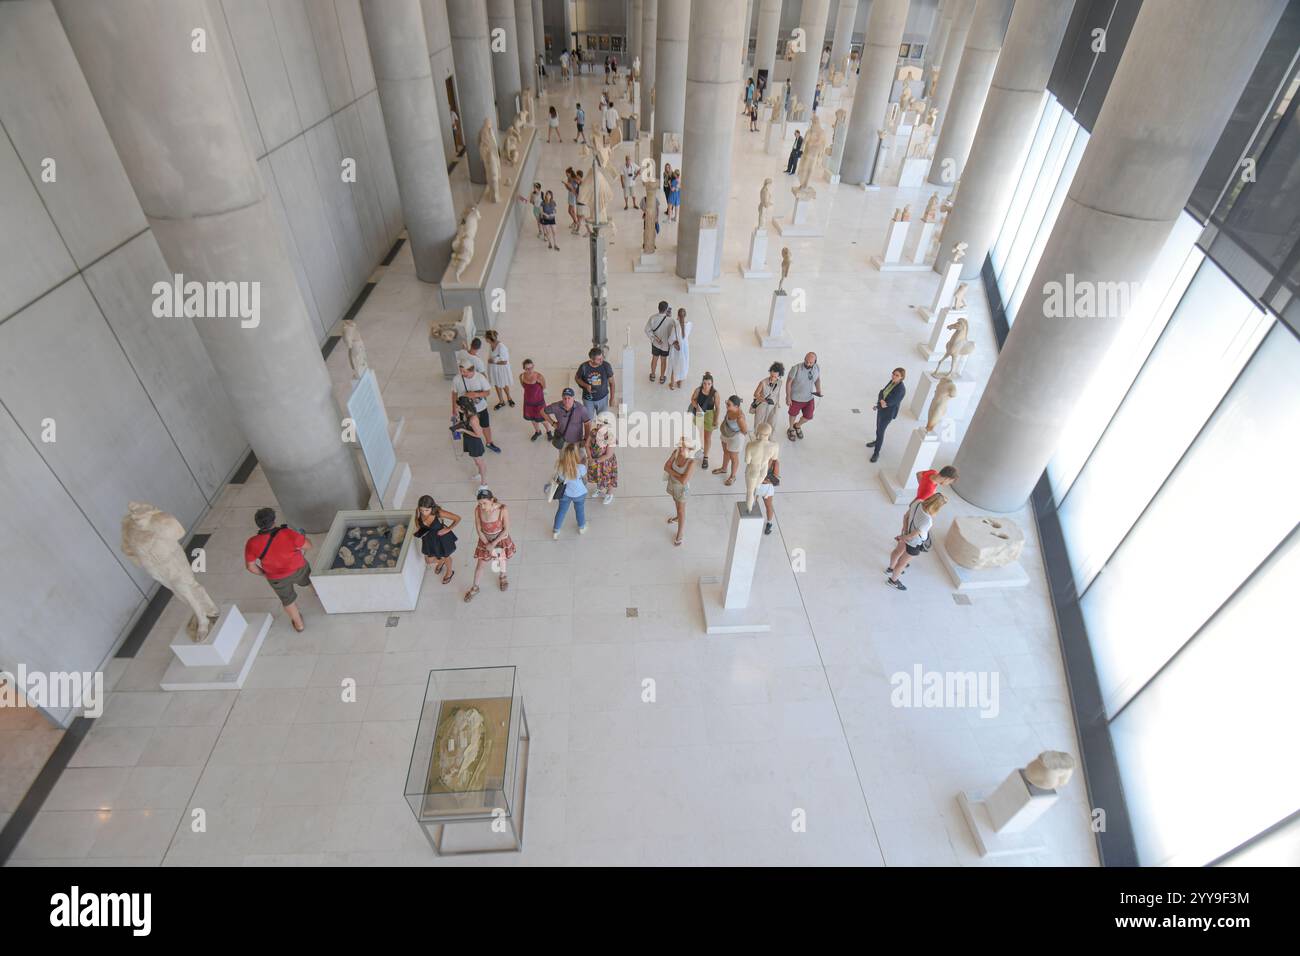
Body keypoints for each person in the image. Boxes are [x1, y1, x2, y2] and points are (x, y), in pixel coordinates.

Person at [244, 507, 313, 632]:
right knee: (310, 582)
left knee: (287, 600)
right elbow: (309, 546)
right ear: (274, 521)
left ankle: (299, 624)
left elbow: (250, 566)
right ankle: (320, 596)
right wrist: (300, 537)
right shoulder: (288, 533)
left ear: (258, 525)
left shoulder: (252, 543)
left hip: (276, 578)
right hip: (298, 568)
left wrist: (265, 573)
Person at [886, 493, 947, 591]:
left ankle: (890, 568)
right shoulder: (928, 520)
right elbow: (914, 534)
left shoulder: (918, 502)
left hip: (905, 533)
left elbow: (905, 516)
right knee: (902, 563)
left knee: (897, 551)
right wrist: (905, 537)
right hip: (914, 542)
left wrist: (904, 533)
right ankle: (893, 581)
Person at [465, 488, 515, 601]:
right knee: (480, 565)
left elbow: (506, 529)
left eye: (484, 503)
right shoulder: (477, 510)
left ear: (492, 500)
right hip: (485, 540)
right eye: (480, 503)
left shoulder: (502, 509)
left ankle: (502, 577)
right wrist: (487, 544)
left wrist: (493, 544)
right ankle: (475, 587)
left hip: (500, 540)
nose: (482, 506)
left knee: (501, 560)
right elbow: (478, 529)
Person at [452, 356, 500, 453]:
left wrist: (476, 394)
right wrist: (454, 408)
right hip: (465, 409)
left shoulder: (480, 378)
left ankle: (489, 442)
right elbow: (454, 393)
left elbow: (487, 392)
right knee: (467, 426)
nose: (462, 373)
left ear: (471, 370)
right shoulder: (457, 379)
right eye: (461, 371)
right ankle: (471, 446)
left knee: (485, 425)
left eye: (464, 371)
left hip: (481, 408)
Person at [413, 495, 459, 585]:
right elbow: (418, 526)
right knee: (428, 560)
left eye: (427, 510)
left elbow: (457, 518)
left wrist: (448, 529)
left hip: (441, 538)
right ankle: (441, 561)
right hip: (428, 539)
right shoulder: (418, 512)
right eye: (422, 510)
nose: (424, 513)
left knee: (446, 556)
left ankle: (449, 572)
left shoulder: (438, 513)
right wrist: (417, 516)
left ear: (432, 507)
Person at [663, 435, 698, 546]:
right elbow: (665, 467)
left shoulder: (691, 462)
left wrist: (672, 472)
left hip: (682, 489)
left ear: (690, 449)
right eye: (680, 445)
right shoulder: (676, 452)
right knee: (675, 501)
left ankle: (680, 533)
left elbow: (684, 481)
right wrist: (678, 474)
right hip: (673, 484)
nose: (680, 448)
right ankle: (678, 518)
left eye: (683, 447)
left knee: (681, 510)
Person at [867, 367, 906, 463]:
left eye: (897, 375)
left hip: (888, 413)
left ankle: (876, 453)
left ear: (901, 377)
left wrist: (883, 402)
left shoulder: (901, 389)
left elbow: (891, 402)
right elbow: (882, 392)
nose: (894, 376)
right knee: (878, 428)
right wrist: (881, 400)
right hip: (881, 409)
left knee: (881, 431)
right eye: (893, 374)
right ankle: (876, 442)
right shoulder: (892, 382)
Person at [551, 443, 589, 538]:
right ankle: (581, 527)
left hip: (565, 494)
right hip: (579, 494)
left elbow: (559, 479)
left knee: (561, 511)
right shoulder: (581, 468)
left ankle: (556, 530)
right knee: (579, 510)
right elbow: (585, 480)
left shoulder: (560, 466)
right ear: (576, 455)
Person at [785, 351, 822, 441]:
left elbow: (817, 379)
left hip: (809, 398)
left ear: (815, 362)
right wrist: (788, 396)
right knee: (793, 414)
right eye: (806, 361)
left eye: (811, 362)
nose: (808, 364)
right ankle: (791, 428)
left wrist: (818, 389)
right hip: (796, 398)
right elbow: (788, 383)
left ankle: (797, 426)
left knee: (808, 416)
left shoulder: (816, 368)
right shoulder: (796, 368)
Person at [713, 396, 748, 485]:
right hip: (726, 433)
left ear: (736, 407)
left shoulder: (740, 418)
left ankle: (733, 476)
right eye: (726, 403)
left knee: (733, 457)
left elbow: (745, 431)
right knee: (726, 452)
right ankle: (724, 469)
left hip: (736, 437)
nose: (726, 405)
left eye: (728, 404)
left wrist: (733, 432)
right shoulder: (730, 409)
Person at [454, 395, 488, 484]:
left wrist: (463, 430)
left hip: (474, 442)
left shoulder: (473, 419)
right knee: (476, 461)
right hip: (469, 440)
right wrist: (458, 418)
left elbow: (479, 434)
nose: (456, 407)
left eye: (458, 406)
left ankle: (483, 483)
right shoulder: (466, 413)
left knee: (479, 462)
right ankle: (480, 473)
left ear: (463, 407)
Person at [688, 372, 719, 469]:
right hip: (699, 413)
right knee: (699, 433)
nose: (706, 386)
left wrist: (716, 420)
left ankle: (706, 457)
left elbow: (717, 408)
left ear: (712, 384)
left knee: (707, 437)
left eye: (709, 384)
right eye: (705, 383)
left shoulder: (715, 394)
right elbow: (693, 399)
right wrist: (697, 407)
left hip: (709, 415)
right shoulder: (698, 390)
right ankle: (699, 448)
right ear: (702, 383)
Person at [587, 411, 619, 504]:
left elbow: (608, 455)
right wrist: (589, 457)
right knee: (598, 475)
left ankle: (609, 493)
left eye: (601, 425)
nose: (598, 427)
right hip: (594, 460)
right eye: (597, 424)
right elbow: (586, 445)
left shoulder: (610, 437)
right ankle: (600, 488)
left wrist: (594, 461)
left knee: (608, 478)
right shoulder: (593, 432)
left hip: (606, 462)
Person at [575, 346, 616, 416]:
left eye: (602, 357)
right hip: (588, 400)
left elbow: (612, 383)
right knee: (588, 420)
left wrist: (612, 398)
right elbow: (577, 378)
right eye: (599, 359)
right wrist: (586, 385)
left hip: (603, 398)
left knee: (603, 421)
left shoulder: (606, 366)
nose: (601, 360)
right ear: (592, 360)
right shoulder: (584, 367)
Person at [645, 300, 678, 385]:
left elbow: (647, 330)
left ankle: (652, 375)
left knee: (654, 359)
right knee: (663, 361)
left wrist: (654, 338)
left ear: (658, 308)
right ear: (667, 309)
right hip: (665, 346)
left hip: (656, 344)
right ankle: (662, 377)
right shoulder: (671, 320)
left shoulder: (653, 318)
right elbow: (673, 333)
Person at [519, 359, 552, 442]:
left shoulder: (539, 376)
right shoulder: (522, 376)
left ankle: (548, 431)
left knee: (543, 419)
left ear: (533, 367)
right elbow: (524, 386)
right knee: (532, 419)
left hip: (539, 402)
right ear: (524, 369)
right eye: (527, 369)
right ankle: (538, 431)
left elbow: (544, 387)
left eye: (531, 368)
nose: (529, 370)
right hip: (528, 402)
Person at [484, 330, 514, 410]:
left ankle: (509, 398)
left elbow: (504, 362)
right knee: (497, 385)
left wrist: (493, 361)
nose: (485, 339)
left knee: (503, 384)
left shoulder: (501, 347)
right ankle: (501, 401)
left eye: (486, 338)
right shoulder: (491, 345)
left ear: (489, 338)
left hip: (501, 369)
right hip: (494, 369)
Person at [752, 362, 784, 433]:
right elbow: (756, 394)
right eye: (771, 375)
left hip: (773, 406)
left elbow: (777, 394)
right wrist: (764, 400)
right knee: (759, 422)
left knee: (771, 422)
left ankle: (768, 437)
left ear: (779, 376)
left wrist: (777, 404)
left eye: (775, 377)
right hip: (762, 405)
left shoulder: (780, 383)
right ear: (770, 372)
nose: (772, 378)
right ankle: (757, 436)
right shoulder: (763, 382)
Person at [755, 452, 780, 535]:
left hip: (767, 488)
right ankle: (752, 518)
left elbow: (775, 478)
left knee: (768, 506)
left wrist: (765, 480)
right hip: (757, 485)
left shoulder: (775, 462)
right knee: (753, 503)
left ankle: (769, 523)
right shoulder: (758, 457)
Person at [667, 307, 691, 389]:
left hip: (677, 350)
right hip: (685, 349)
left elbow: (671, 339)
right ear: (685, 315)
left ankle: (672, 385)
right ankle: (680, 384)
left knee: (674, 366)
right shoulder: (689, 325)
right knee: (683, 365)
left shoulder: (676, 327)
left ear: (677, 315)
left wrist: (673, 342)